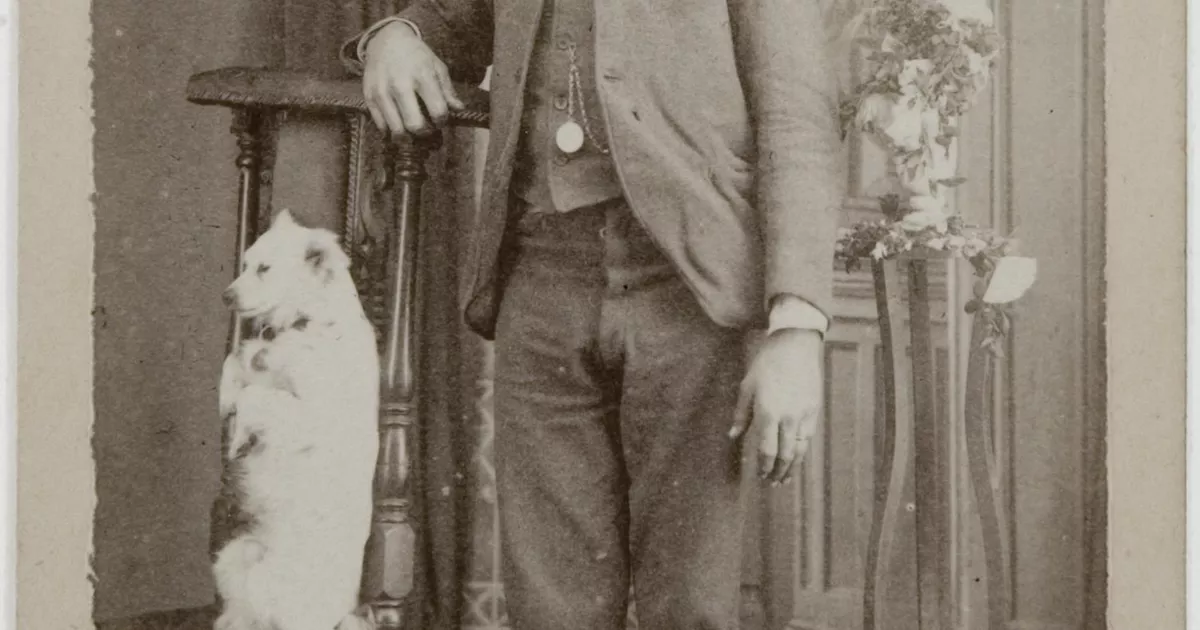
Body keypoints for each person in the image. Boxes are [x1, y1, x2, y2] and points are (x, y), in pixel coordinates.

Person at [340, 2, 845, 627]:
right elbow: (456, 17)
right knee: (551, 605)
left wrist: (796, 325)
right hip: (541, 271)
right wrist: (396, 35)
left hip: (688, 281)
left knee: (690, 602)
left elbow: (798, 118)